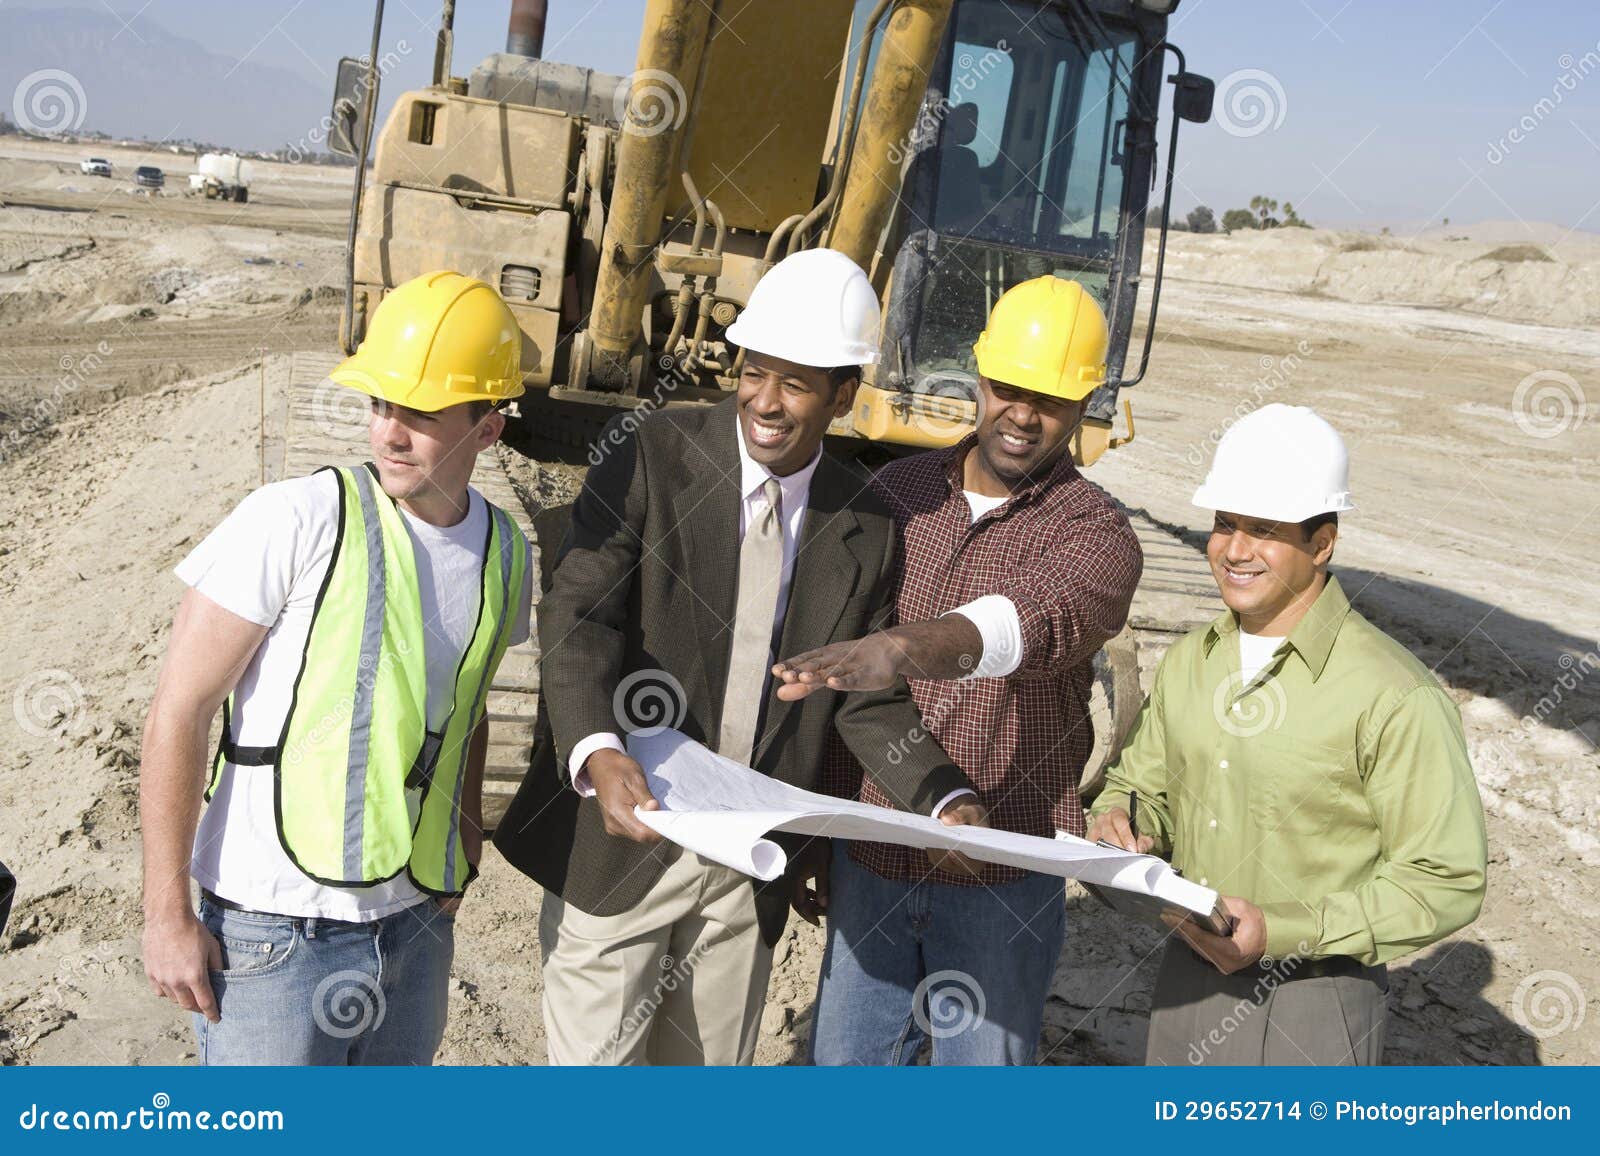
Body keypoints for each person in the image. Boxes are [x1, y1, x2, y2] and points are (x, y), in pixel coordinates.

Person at [492, 248, 982, 1066]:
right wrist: (598, 750)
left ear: (843, 395)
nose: (768, 401)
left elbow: (861, 697)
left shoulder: (863, 518)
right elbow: (578, 613)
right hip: (628, 840)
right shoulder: (651, 454)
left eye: (797, 383)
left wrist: (942, 794)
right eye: (757, 372)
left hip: (746, 868)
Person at [139, 271, 534, 1065]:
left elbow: (470, 705)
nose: (388, 432)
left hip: (414, 926)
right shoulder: (295, 518)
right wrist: (165, 914)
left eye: (420, 414)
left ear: (488, 428)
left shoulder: (506, 549)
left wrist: (460, 848)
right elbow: (177, 712)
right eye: (380, 404)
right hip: (273, 933)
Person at [772, 276, 1143, 1064]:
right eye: (1008, 387)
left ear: (1085, 406)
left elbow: (1032, 624)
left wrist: (903, 648)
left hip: (999, 879)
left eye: (1049, 398)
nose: (1022, 412)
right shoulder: (894, 496)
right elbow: (843, 697)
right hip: (870, 864)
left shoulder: (1097, 536)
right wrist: (816, 832)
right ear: (979, 378)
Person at [1085, 403, 1487, 1066]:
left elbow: (1445, 878)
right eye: (1224, 524)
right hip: (1187, 984)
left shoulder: (1394, 695)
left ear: (1322, 542)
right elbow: (1139, 785)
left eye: (1264, 530)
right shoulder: (1192, 661)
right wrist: (1122, 822)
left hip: (1315, 1004)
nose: (1234, 550)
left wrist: (1288, 932)